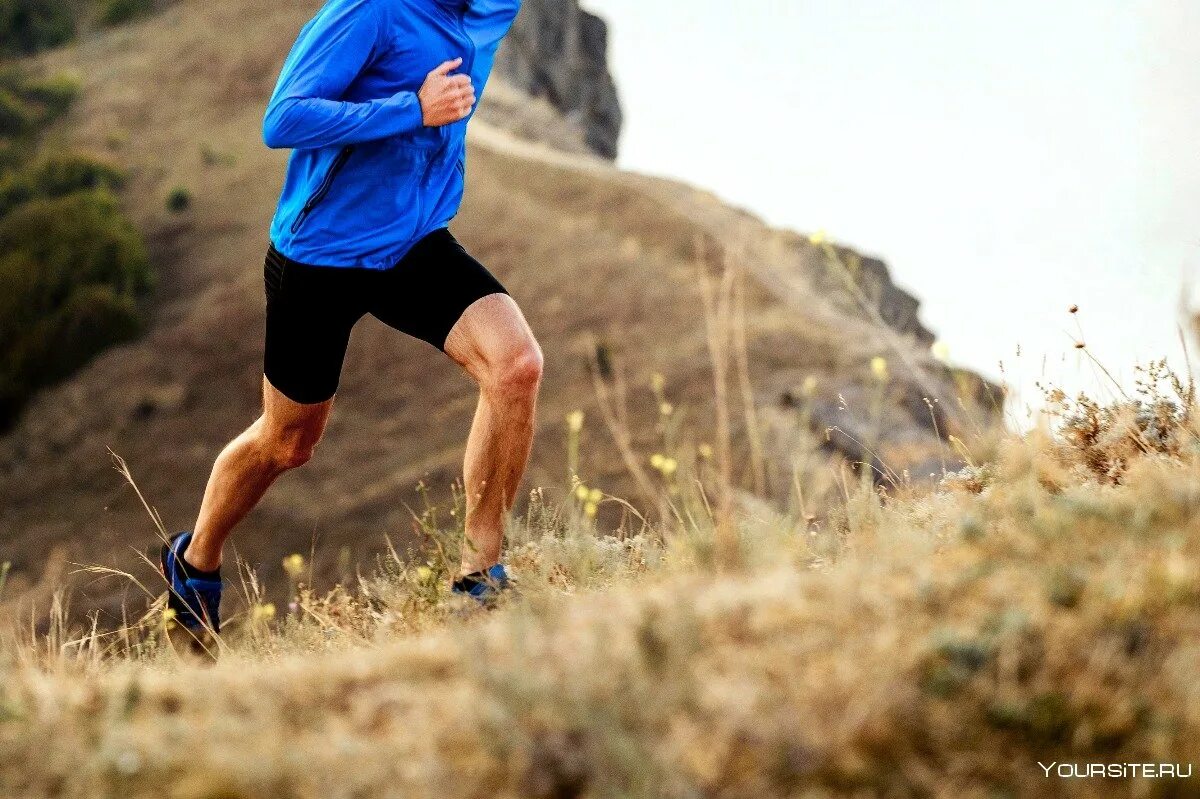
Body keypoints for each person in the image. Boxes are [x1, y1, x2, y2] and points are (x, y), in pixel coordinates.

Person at [160, 0, 538, 633]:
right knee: (288, 443)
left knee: (516, 366)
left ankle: (480, 579)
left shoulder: (492, 8)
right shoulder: (370, 10)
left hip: (413, 244)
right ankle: (194, 561)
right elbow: (282, 120)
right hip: (322, 257)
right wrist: (411, 111)